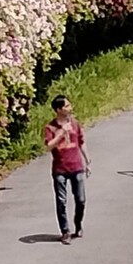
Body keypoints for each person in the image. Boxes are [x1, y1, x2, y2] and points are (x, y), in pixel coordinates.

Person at [43, 94, 89, 244]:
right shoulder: (50, 127)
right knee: (61, 201)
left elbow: (81, 142)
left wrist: (87, 160)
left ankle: (78, 224)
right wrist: (61, 132)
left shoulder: (75, 123)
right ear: (58, 109)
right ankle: (65, 231)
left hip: (77, 166)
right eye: (67, 106)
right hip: (60, 169)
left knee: (81, 200)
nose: (70, 108)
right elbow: (49, 146)